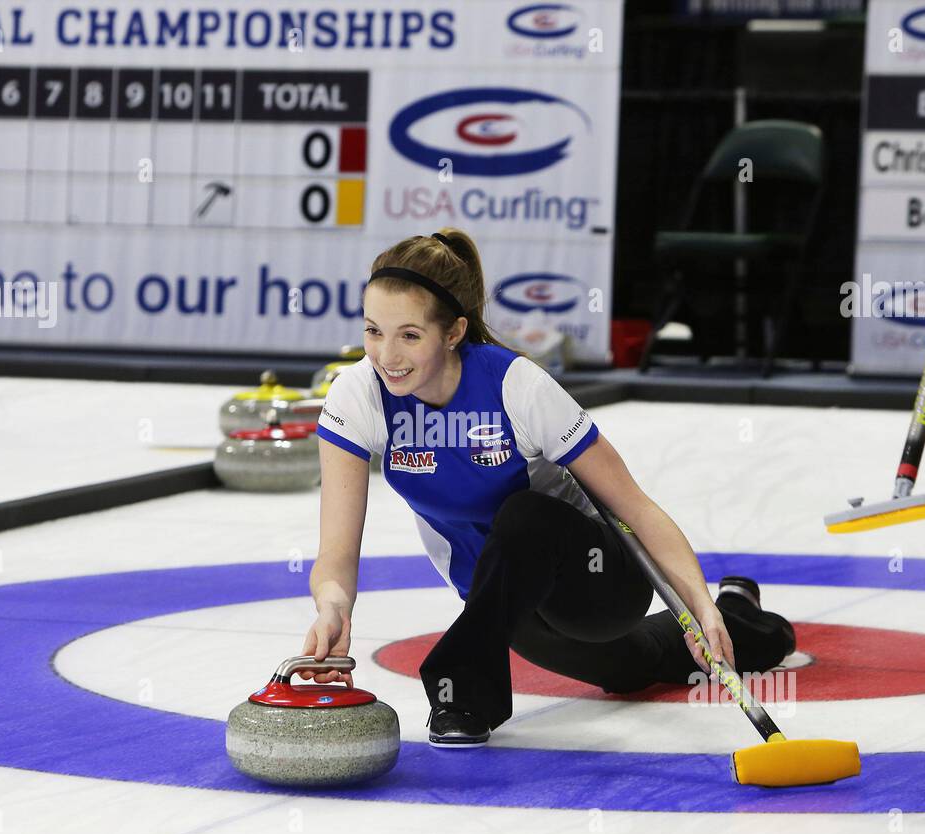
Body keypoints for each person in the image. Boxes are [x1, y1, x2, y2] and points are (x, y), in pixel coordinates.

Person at [301, 228, 795, 746]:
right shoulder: (358, 396)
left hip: (600, 580)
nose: (385, 354)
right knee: (633, 666)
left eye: (409, 335)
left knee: (523, 514)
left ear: (453, 333)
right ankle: (747, 618)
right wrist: (332, 607)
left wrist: (698, 602)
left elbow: (637, 508)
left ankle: (461, 696)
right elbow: (336, 553)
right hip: (507, 606)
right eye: (373, 330)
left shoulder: (517, 386)